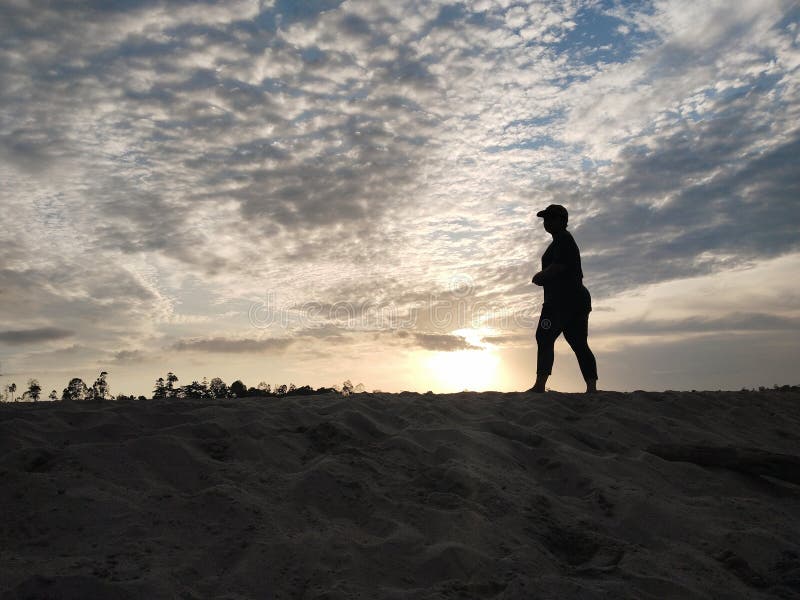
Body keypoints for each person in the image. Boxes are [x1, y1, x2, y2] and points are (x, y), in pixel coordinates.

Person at [528, 204, 598, 393]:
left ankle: (540, 385)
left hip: (561, 301)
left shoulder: (564, 239)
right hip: (575, 300)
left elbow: (559, 266)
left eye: (551, 218)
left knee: (544, 336)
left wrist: (541, 276)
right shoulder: (560, 240)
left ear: (562, 220)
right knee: (578, 343)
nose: (547, 222)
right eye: (545, 219)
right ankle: (591, 387)